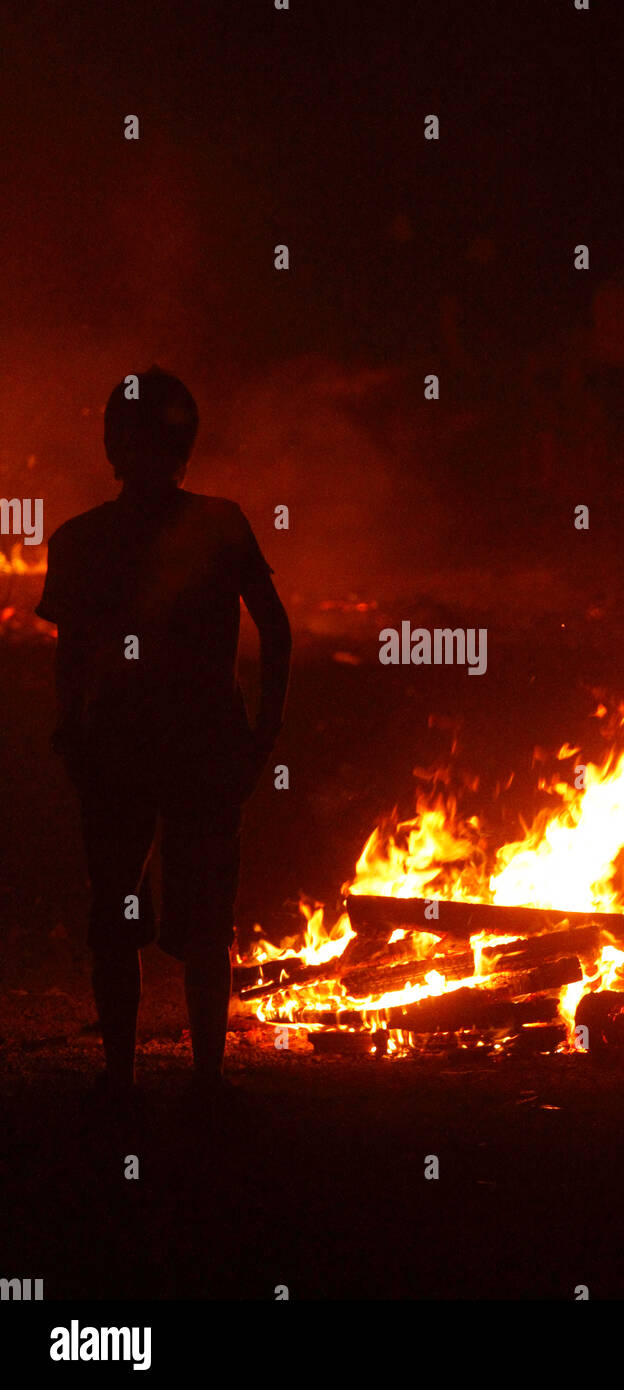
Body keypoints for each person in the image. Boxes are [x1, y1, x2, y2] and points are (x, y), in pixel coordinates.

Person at [36, 367, 291, 1104]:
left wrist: (72, 733)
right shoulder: (221, 522)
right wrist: (263, 732)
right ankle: (205, 1080)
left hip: (119, 748)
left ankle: (122, 1078)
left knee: (118, 912)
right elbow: (274, 629)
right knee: (206, 919)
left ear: (112, 446)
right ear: (189, 448)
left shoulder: (82, 539)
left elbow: (70, 654)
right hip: (205, 746)